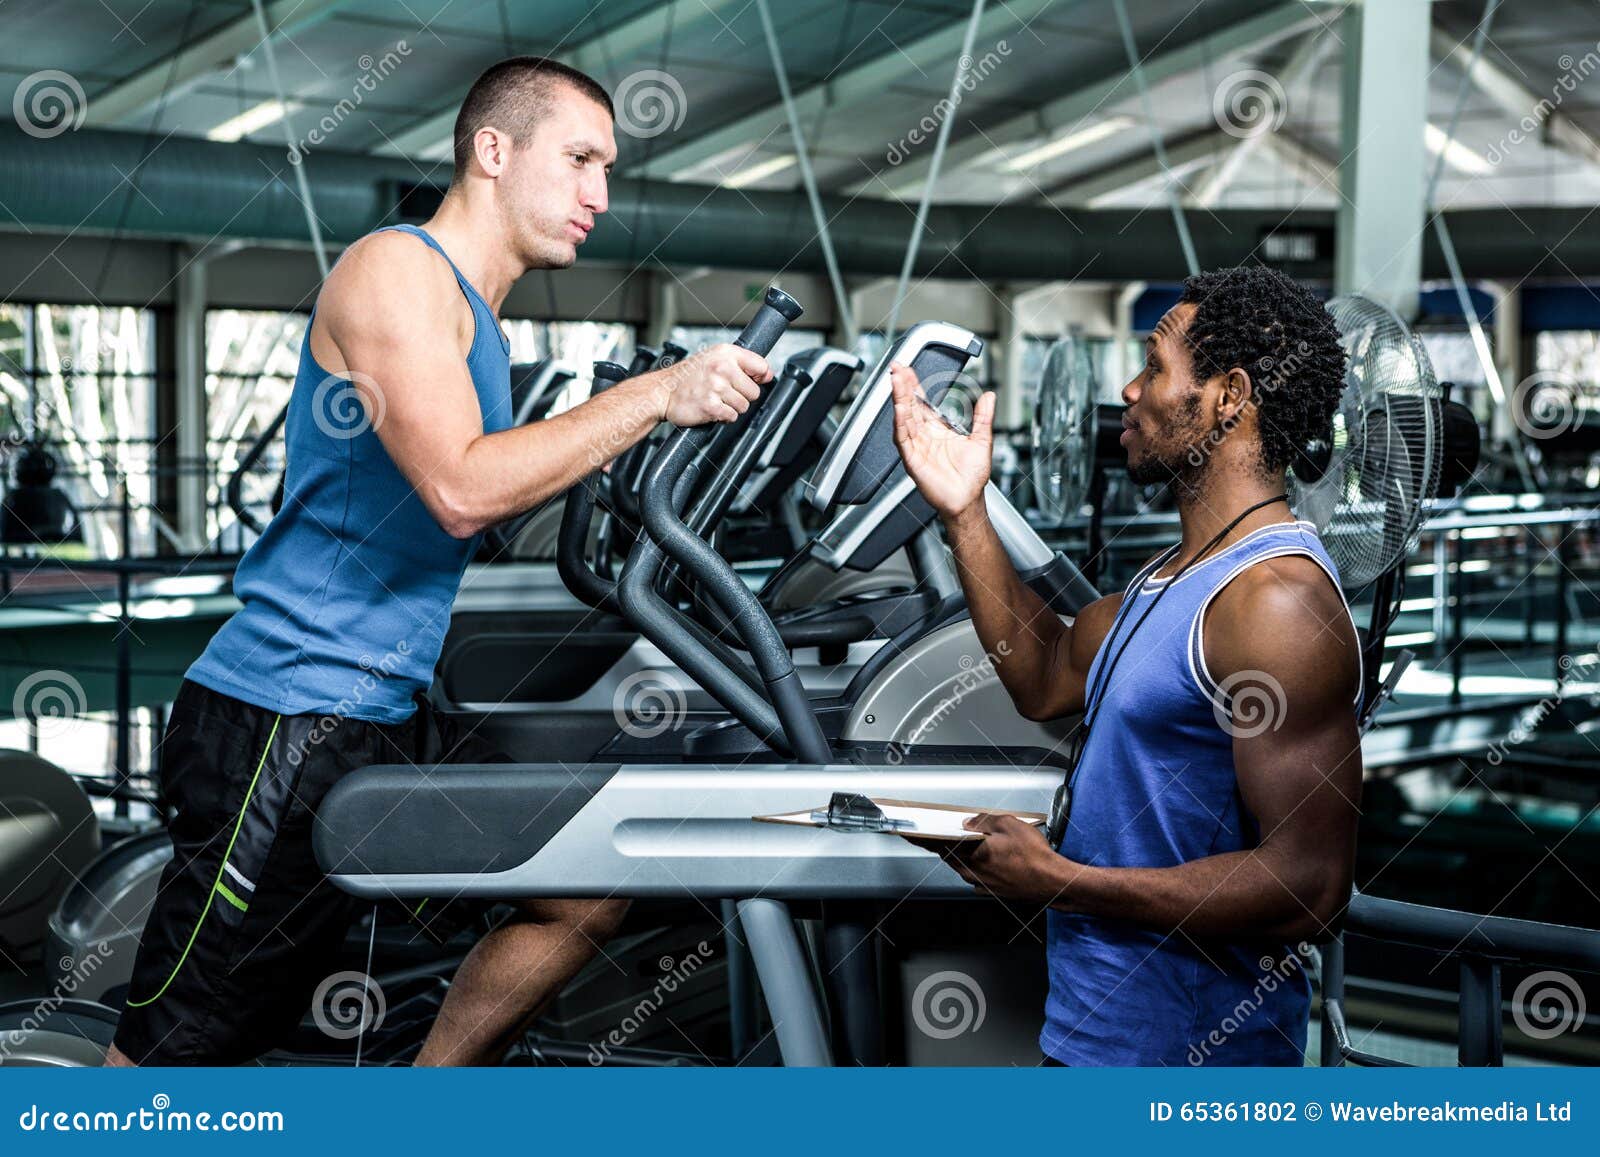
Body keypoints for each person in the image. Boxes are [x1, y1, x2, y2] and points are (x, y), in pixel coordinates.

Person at [108, 57, 772, 1067]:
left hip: (387, 712)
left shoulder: (479, 319)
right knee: (173, 1060)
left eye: (609, 167)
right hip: (289, 719)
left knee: (583, 888)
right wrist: (655, 396)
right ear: (492, 151)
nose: (601, 193)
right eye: (581, 158)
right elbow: (462, 489)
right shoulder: (396, 270)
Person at [890, 265, 1363, 1066]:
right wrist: (965, 509)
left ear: (1229, 396)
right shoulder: (1165, 581)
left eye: (1155, 366)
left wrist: (1061, 881)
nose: (1129, 388)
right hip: (1088, 1042)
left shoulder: (1277, 602)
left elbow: (1308, 886)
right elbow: (1039, 672)